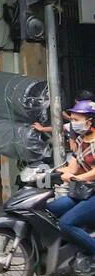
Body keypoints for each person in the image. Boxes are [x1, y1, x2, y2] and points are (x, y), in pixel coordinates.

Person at [45, 100, 95, 255]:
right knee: (47, 211)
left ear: (89, 122)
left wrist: (77, 178)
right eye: (71, 119)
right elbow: (72, 168)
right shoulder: (80, 140)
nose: (73, 123)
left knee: (66, 223)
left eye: (76, 120)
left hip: (91, 193)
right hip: (83, 192)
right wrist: (46, 174)